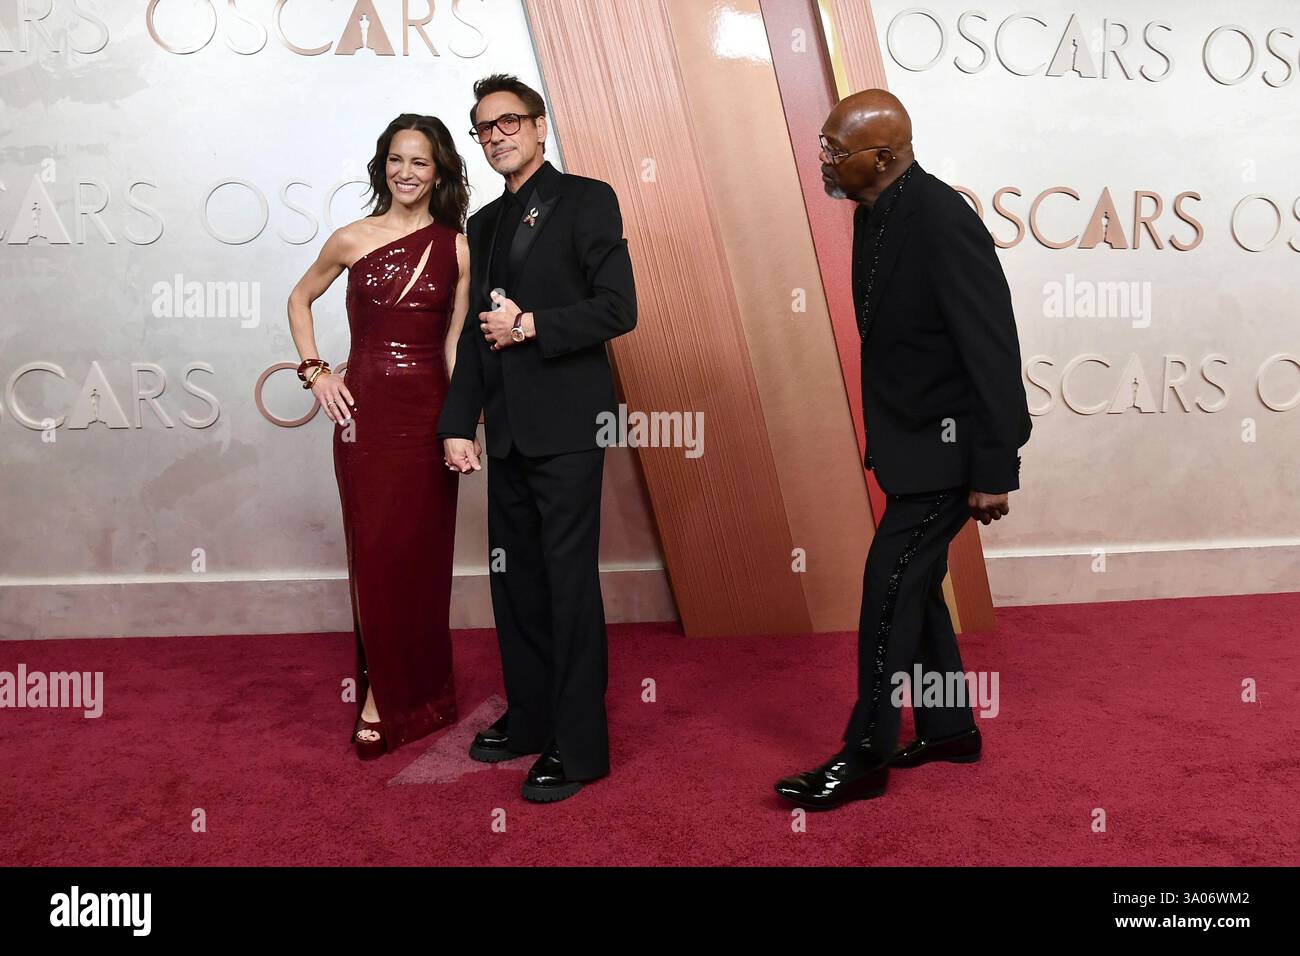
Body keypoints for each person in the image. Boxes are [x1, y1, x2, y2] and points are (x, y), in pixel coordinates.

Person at [775, 89, 1032, 809]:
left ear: (882, 157)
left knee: (887, 588)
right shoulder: (874, 212)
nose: (822, 161)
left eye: (834, 151)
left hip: (949, 456)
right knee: (913, 591)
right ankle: (950, 729)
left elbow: (993, 352)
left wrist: (993, 467)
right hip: (909, 446)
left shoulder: (944, 221)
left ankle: (865, 754)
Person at [437, 74, 636, 803]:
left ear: (541, 125)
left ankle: (579, 748)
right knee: (513, 583)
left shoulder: (588, 199)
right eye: (483, 128)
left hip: (570, 428)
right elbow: (471, 333)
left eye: (508, 122)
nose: (495, 136)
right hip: (511, 433)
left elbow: (620, 308)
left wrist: (533, 326)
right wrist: (459, 422)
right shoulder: (484, 224)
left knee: (567, 586)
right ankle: (529, 720)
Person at [287, 114, 471, 759]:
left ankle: (426, 692)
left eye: (421, 162)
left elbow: (455, 344)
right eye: (397, 159)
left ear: (440, 169)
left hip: (428, 417)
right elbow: (299, 299)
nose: (407, 172)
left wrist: (459, 427)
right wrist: (315, 373)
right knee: (376, 555)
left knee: (421, 556)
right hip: (365, 420)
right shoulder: (350, 238)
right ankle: (378, 694)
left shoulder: (458, 246)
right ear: (382, 166)